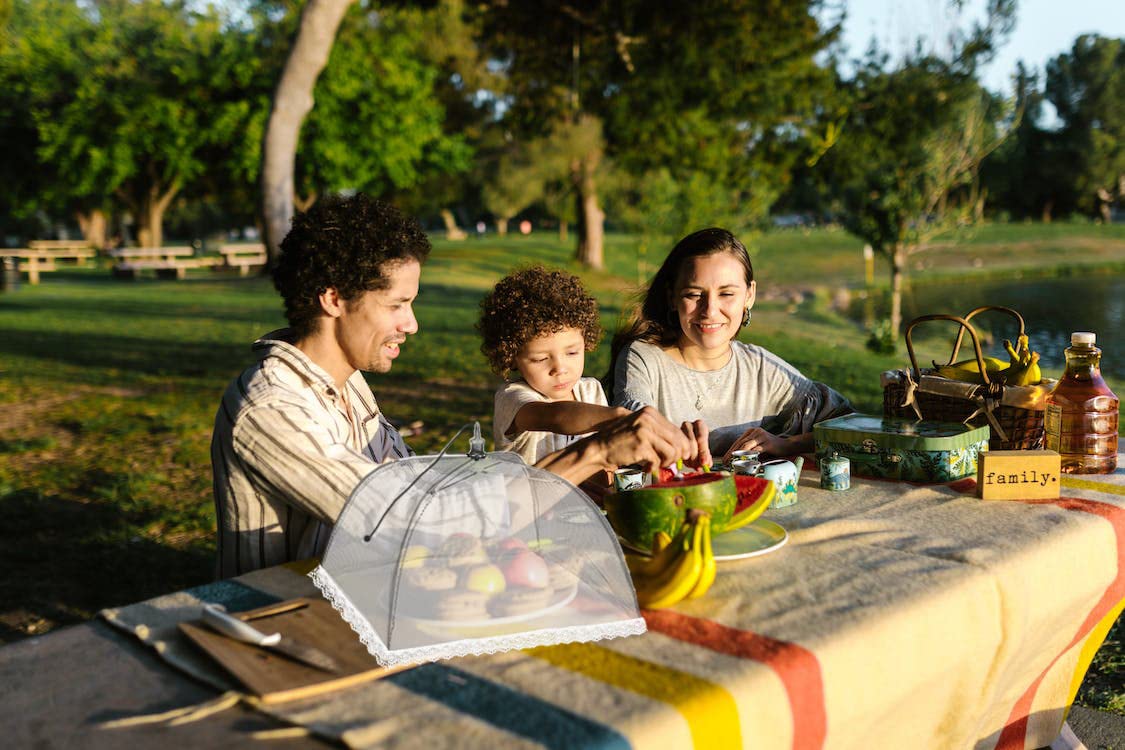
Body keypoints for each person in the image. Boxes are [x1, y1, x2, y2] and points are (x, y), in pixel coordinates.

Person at [211, 194, 696, 578]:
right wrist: (593, 453)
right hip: (288, 628)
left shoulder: (344, 381)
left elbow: (413, 485)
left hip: (364, 590)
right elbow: (416, 521)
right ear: (334, 299)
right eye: (397, 304)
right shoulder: (270, 408)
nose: (412, 324)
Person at [608, 227, 853, 462]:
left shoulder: (760, 369)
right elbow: (633, 429)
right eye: (694, 295)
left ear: (749, 295)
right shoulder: (643, 359)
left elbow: (850, 427)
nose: (710, 310)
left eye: (726, 294)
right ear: (672, 297)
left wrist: (786, 444)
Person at [479, 266, 629, 471]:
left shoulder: (591, 391)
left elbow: (607, 464)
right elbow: (554, 416)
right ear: (511, 357)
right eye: (540, 359)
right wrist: (619, 417)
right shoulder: (512, 398)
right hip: (528, 502)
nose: (560, 368)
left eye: (572, 353)